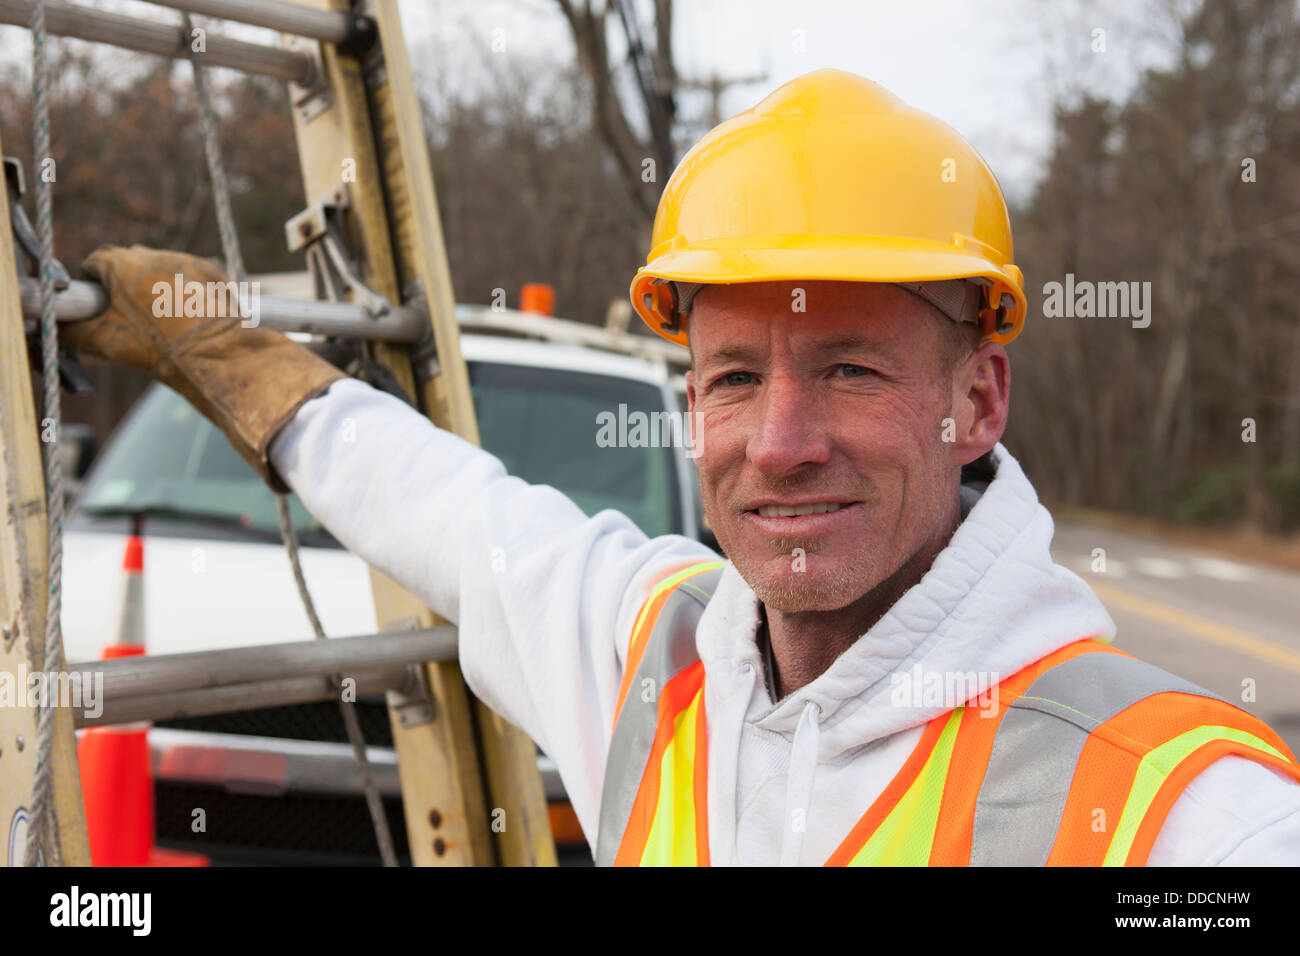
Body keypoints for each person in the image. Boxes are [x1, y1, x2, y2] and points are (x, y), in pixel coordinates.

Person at [62, 69, 1300, 865]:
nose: (778, 442)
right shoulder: (660, 660)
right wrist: (244, 364)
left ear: (976, 400)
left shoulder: (1180, 807)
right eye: (733, 377)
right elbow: (450, 508)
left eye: (851, 370)